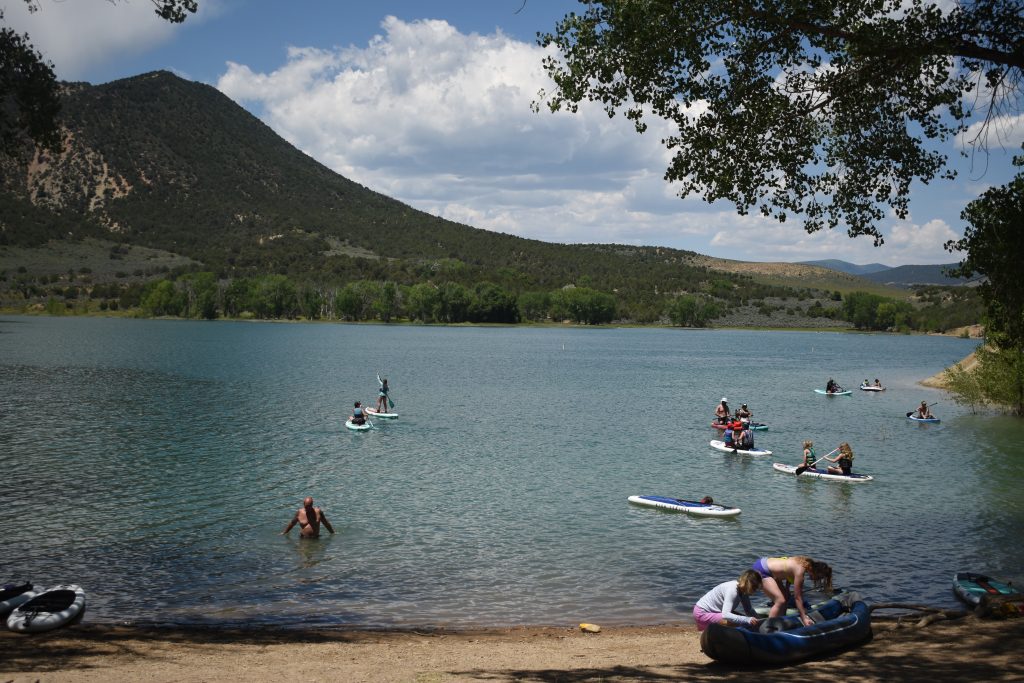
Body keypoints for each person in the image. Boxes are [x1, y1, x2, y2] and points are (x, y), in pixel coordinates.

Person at [751, 556, 833, 626]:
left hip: (767, 566)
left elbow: (788, 573)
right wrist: (803, 617)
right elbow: (798, 597)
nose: (817, 579)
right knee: (780, 601)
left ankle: (780, 621)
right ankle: (768, 627)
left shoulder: (804, 562)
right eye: (819, 577)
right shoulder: (800, 571)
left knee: (786, 597)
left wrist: (786, 590)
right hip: (762, 569)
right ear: (816, 571)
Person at [692, 570, 763, 632]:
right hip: (702, 613)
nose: (755, 590)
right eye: (755, 587)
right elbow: (726, 615)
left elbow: (748, 610)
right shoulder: (733, 590)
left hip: (715, 612)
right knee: (741, 622)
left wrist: (760, 621)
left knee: (743, 619)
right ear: (750, 585)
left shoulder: (743, 590)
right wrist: (747, 619)